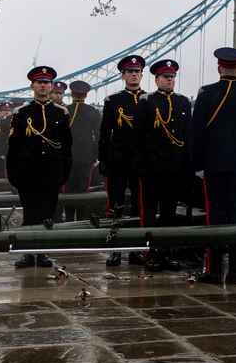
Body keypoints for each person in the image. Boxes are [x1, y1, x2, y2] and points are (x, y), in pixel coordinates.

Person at [189, 47, 236, 280]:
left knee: (215, 218)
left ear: (219, 67)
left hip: (213, 165)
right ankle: (234, 270)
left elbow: (196, 133)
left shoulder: (207, 94)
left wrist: (198, 165)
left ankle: (212, 270)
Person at [6, 66, 72, 269]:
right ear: (32, 86)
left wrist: (64, 173)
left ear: (51, 86)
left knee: (47, 214)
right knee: (29, 213)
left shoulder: (61, 113)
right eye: (39, 82)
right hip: (28, 172)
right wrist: (13, 175)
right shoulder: (22, 113)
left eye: (46, 82)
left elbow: (67, 147)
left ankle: (42, 252)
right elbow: (13, 147)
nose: (43, 86)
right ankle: (27, 253)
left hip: (51, 172)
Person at [135, 59, 191, 271]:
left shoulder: (183, 102)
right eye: (166, 77)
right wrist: (141, 166)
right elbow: (139, 137)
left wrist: (187, 166)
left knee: (169, 213)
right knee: (149, 212)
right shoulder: (146, 102)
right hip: (151, 168)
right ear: (157, 79)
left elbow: (188, 137)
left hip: (174, 167)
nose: (170, 80)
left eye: (172, 77)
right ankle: (150, 253)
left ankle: (166, 253)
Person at [98, 54, 146, 266]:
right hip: (118, 161)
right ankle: (115, 248)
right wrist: (104, 161)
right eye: (130, 72)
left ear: (141, 74)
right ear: (123, 75)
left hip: (142, 162)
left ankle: (136, 249)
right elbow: (104, 134)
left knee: (139, 205)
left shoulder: (150, 99)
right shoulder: (113, 101)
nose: (134, 75)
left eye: (137, 72)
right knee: (115, 206)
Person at [65, 81, 102, 194]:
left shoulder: (64, 110)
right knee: (83, 190)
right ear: (86, 95)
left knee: (68, 191)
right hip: (86, 158)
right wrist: (95, 156)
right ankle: (82, 212)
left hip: (67, 157)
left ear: (71, 94)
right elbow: (98, 135)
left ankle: (69, 212)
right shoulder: (93, 111)